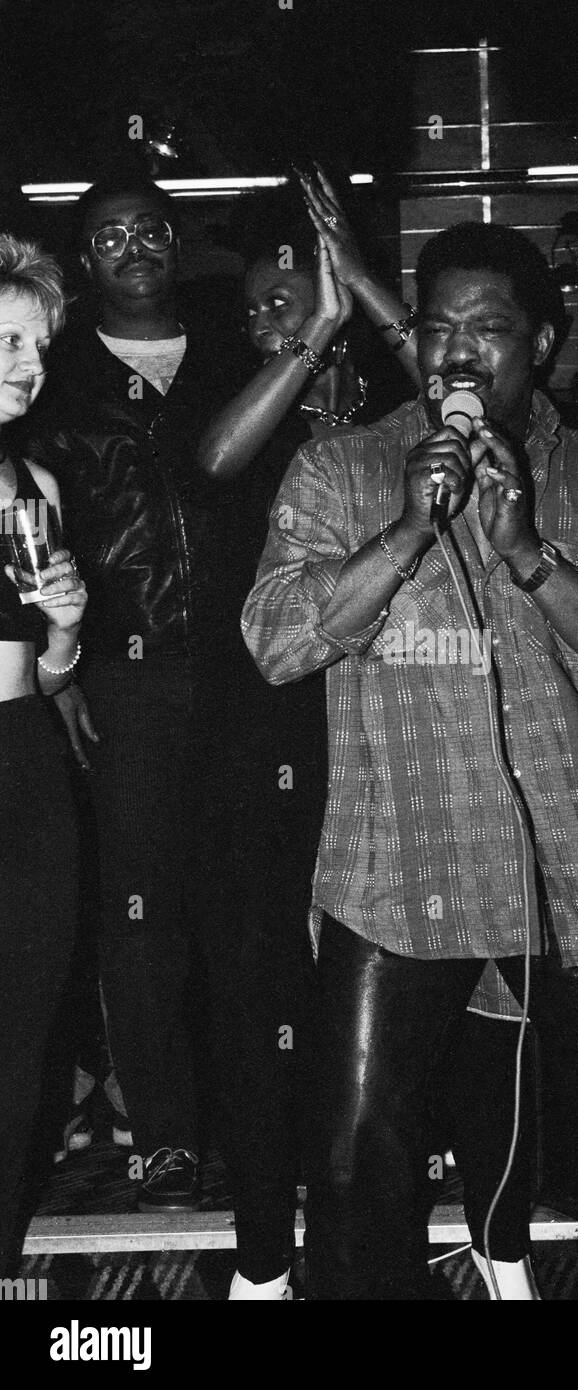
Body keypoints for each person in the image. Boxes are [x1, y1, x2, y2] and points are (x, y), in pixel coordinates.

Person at [243, 220, 578, 1300]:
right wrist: (403, 530)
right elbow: (274, 644)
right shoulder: (342, 467)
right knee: (357, 1150)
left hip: (576, 859)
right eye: (437, 326)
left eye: (488, 328)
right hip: (397, 860)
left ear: (540, 342)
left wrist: (527, 553)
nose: (456, 352)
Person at [203, 167, 540, 1299]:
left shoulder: (422, 417)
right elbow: (211, 475)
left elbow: (466, 377)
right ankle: (268, 1262)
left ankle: (493, 1246)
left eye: (294, 293)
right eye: (253, 304)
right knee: (294, 1029)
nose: (273, 316)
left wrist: (369, 295)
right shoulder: (274, 416)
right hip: (279, 724)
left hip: (411, 740)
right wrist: (318, 332)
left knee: (463, 1037)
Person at [27, 170, 317, 1299]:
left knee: (258, 895)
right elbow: (39, 532)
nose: (136, 245)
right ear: (86, 258)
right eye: (110, 235)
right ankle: (164, 1130)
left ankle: (267, 1111)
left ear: (172, 238)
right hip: (127, 674)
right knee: (140, 905)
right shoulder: (55, 380)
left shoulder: (238, 351)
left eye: (151, 226)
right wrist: (56, 680)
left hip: (252, 667)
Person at [0, 232, 87, 1275]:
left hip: (23, 763)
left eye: (39, 343)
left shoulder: (35, 485)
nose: (29, 364)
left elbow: (54, 677)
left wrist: (67, 625)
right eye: (7, 340)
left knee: (18, 1051)